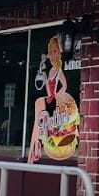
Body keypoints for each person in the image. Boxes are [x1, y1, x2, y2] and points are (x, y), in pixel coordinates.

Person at [28, 34, 66, 162]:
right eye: (51, 52)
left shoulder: (58, 70)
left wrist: (58, 96)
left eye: (55, 51)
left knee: (38, 105)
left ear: (59, 53)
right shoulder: (51, 71)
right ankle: (34, 148)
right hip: (50, 100)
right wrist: (45, 80)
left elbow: (64, 86)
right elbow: (49, 92)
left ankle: (34, 149)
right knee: (37, 117)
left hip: (53, 102)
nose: (52, 55)